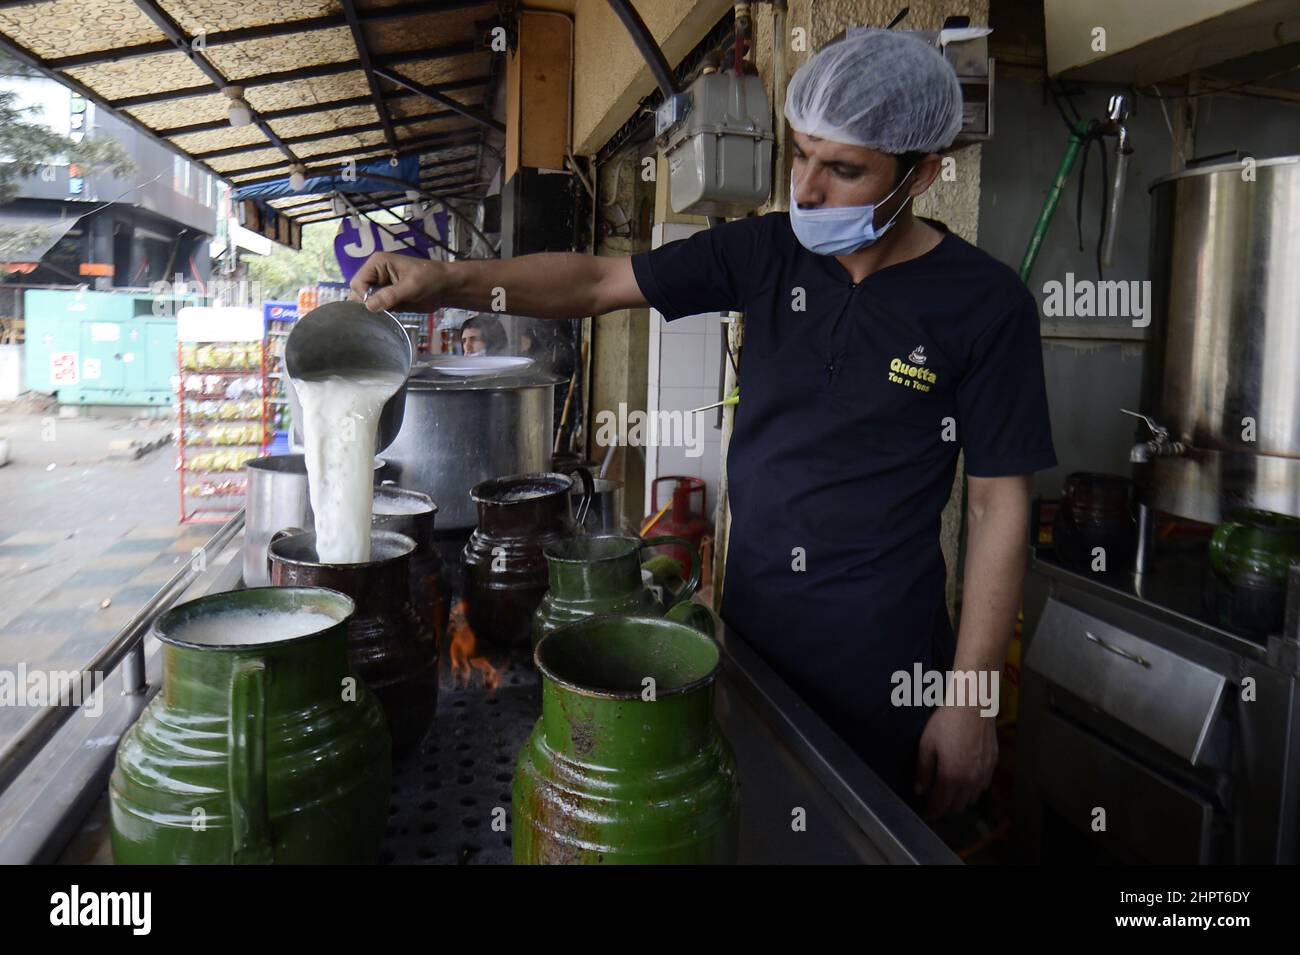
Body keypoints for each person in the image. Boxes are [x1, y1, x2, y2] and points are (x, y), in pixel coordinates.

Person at [352, 29, 1055, 818]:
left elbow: (1000, 507)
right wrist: (449, 280)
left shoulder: (985, 305)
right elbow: (595, 281)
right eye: (801, 155)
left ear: (923, 174)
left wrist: (971, 697)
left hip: (885, 664)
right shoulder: (768, 252)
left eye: (844, 169)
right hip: (753, 640)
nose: (808, 190)